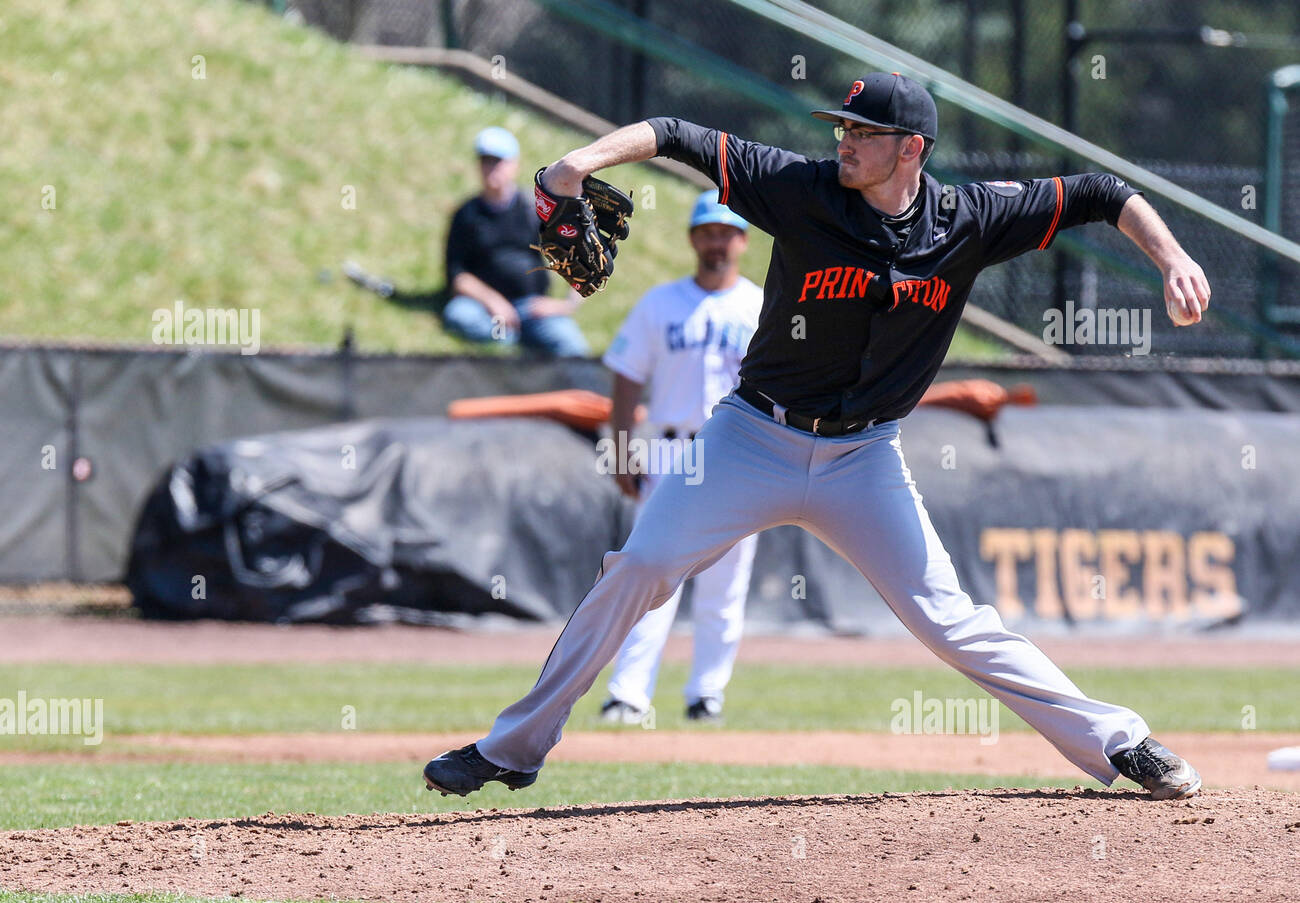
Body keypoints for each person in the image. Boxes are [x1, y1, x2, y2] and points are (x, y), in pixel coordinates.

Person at [425, 72, 1212, 801]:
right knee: (641, 564)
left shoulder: (971, 218)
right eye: (841, 127)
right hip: (752, 435)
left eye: (863, 132)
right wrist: (571, 165)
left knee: (948, 618)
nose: (844, 141)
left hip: (865, 457)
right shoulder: (798, 190)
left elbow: (1104, 193)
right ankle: (513, 747)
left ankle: (1121, 740)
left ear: (913, 149)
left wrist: (1171, 257)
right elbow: (672, 132)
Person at [599, 191, 763, 726]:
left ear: (742, 240)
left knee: (726, 581)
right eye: (707, 231)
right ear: (693, 238)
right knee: (650, 573)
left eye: (726, 231)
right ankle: (627, 693)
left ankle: (706, 693)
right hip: (671, 450)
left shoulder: (762, 306)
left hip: (739, 455)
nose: (716, 241)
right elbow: (626, 376)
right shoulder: (660, 302)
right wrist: (622, 449)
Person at [442, 127, 587, 357]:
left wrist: (565, 305)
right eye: (485, 161)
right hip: (484, 309)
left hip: (531, 308)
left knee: (573, 346)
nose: (491, 168)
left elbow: (581, 259)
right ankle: (512, 342)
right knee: (458, 315)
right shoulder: (467, 215)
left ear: (514, 165)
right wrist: (493, 302)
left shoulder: (536, 210)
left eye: (497, 161)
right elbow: (457, 276)